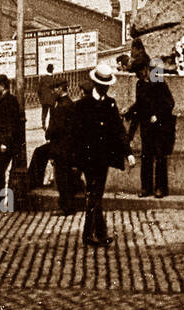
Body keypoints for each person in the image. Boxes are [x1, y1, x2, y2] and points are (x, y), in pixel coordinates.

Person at [69, 63, 134, 247]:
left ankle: (95, 233)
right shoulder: (82, 105)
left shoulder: (110, 104)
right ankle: (93, 234)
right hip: (88, 158)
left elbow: (119, 131)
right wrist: (75, 160)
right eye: (102, 85)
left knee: (95, 195)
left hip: (103, 158)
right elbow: (75, 135)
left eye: (107, 86)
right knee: (94, 194)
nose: (105, 88)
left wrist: (128, 153)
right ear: (95, 85)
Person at [124, 58, 176, 199]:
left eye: (140, 72)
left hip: (160, 127)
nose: (138, 75)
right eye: (136, 73)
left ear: (146, 69)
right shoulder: (140, 84)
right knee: (146, 157)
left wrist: (157, 116)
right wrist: (129, 111)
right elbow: (140, 104)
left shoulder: (158, 81)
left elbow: (170, 103)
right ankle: (146, 188)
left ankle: (160, 188)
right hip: (146, 127)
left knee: (160, 157)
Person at [0, 74, 24, 213]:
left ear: (2, 86)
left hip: (4, 145)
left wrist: (5, 142)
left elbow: (10, 124)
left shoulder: (10, 100)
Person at [45, 79, 80, 215]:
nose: (53, 91)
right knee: (66, 177)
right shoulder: (68, 103)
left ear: (60, 89)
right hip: (67, 147)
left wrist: (48, 133)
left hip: (61, 148)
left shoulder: (62, 106)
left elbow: (56, 129)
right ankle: (67, 205)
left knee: (62, 178)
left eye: (54, 88)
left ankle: (66, 207)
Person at [38, 64, 58, 132]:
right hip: (51, 100)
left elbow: (39, 90)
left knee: (44, 112)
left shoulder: (42, 79)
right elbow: (55, 90)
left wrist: (41, 98)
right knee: (52, 113)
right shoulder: (53, 79)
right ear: (52, 70)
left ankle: (43, 124)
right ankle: (51, 125)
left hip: (44, 100)